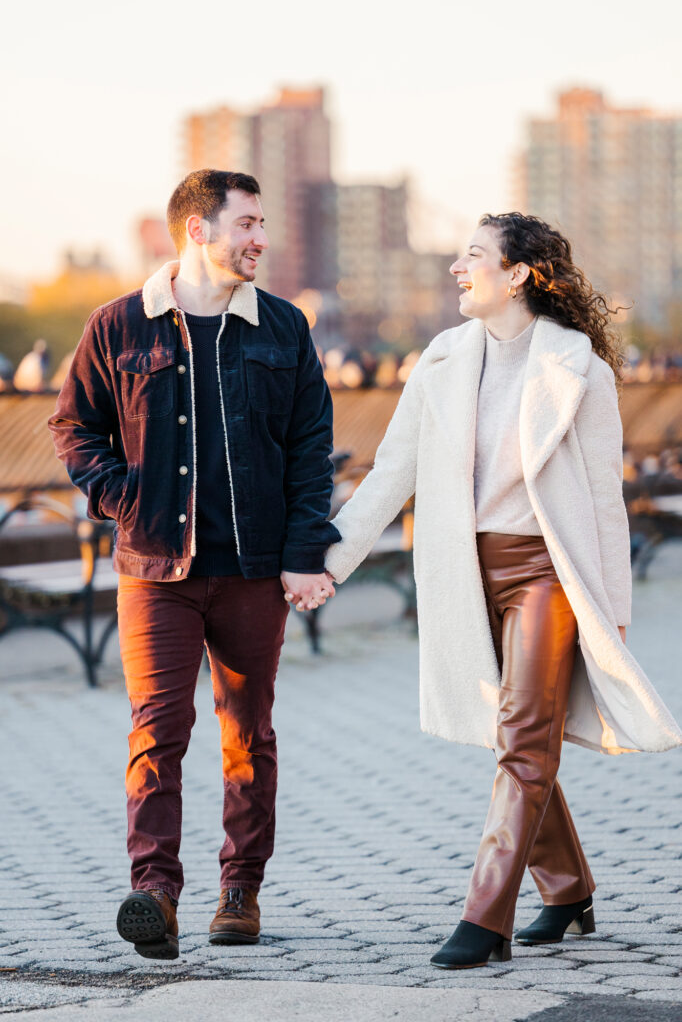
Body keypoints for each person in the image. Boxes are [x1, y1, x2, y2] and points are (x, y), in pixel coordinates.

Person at [325, 212, 682, 970]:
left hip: (546, 574)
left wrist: (612, 610)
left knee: (522, 739)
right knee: (514, 734)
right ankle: (567, 888)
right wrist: (331, 564)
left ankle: (484, 916)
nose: (459, 267)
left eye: (475, 256)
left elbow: (602, 498)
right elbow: (392, 473)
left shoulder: (576, 366)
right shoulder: (444, 359)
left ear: (518, 272)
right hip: (462, 572)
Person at [49, 169, 340, 959]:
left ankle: (239, 888)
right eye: (248, 223)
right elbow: (75, 428)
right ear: (198, 231)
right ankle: (155, 891)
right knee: (158, 732)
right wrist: (124, 497)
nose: (262, 239)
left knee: (247, 733)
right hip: (155, 571)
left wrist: (302, 551)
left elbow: (313, 446)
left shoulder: (282, 327)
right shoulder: (118, 326)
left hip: (252, 571)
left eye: (263, 223)